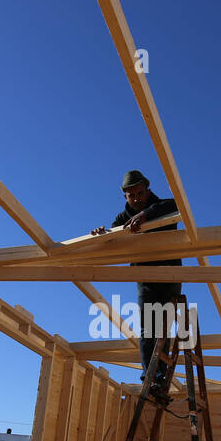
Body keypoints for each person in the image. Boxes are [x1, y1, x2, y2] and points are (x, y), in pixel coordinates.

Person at [90, 170, 183, 402]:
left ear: (147, 190)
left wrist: (145, 215)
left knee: (162, 328)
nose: (136, 198)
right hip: (146, 280)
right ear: (125, 197)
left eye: (140, 193)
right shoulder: (122, 219)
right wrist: (102, 235)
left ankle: (160, 376)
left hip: (169, 274)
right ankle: (151, 376)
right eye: (131, 195)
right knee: (148, 330)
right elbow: (112, 241)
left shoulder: (162, 206)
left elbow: (174, 206)